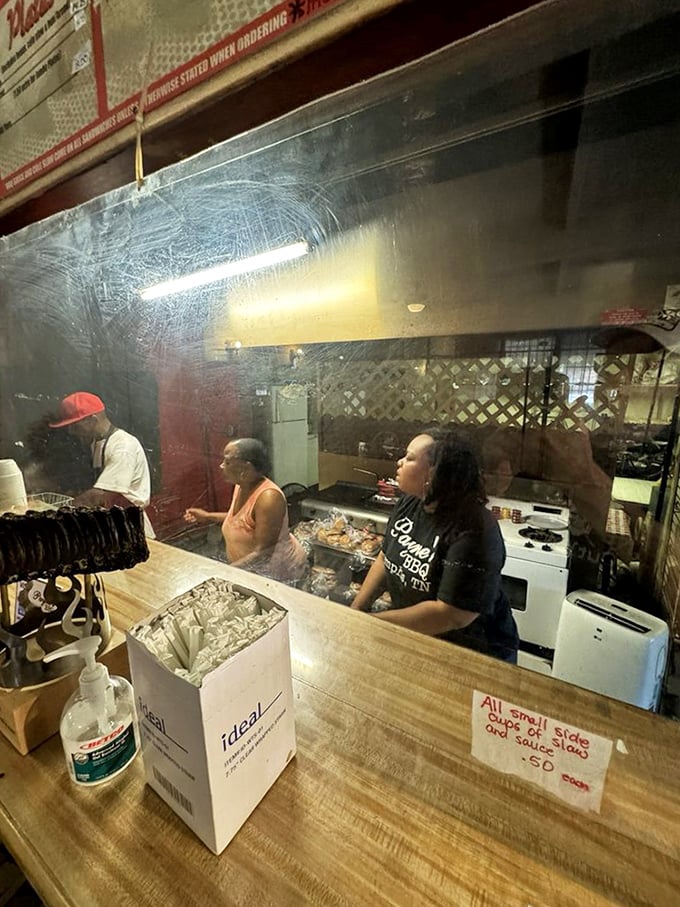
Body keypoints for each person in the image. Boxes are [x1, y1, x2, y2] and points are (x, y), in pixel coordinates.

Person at [351, 427, 519, 663]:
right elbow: (385, 557)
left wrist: (373, 624)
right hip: (421, 638)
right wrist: (356, 610)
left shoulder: (474, 529)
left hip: (474, 654)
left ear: (435, 472)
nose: (399, 463)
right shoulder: (410, 503)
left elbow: (451, 614)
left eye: (409, 458)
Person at [184, 438, 308, 585]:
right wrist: (207, 516)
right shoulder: (241, 486)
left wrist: (224, 573)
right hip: (249, 571)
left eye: (228, 462)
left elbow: (263, 552)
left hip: (279, 574)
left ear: (245, 468)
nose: (221, 466)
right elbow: (243, 522)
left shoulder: (268, 498)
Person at [49, 392, 155, 538]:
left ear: (92, 420)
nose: (71, 432)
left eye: (74, 426)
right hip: (112, 525)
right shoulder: (96, 443)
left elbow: (99, 495)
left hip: (130, 528)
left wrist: (58, 511)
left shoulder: (122, 447)